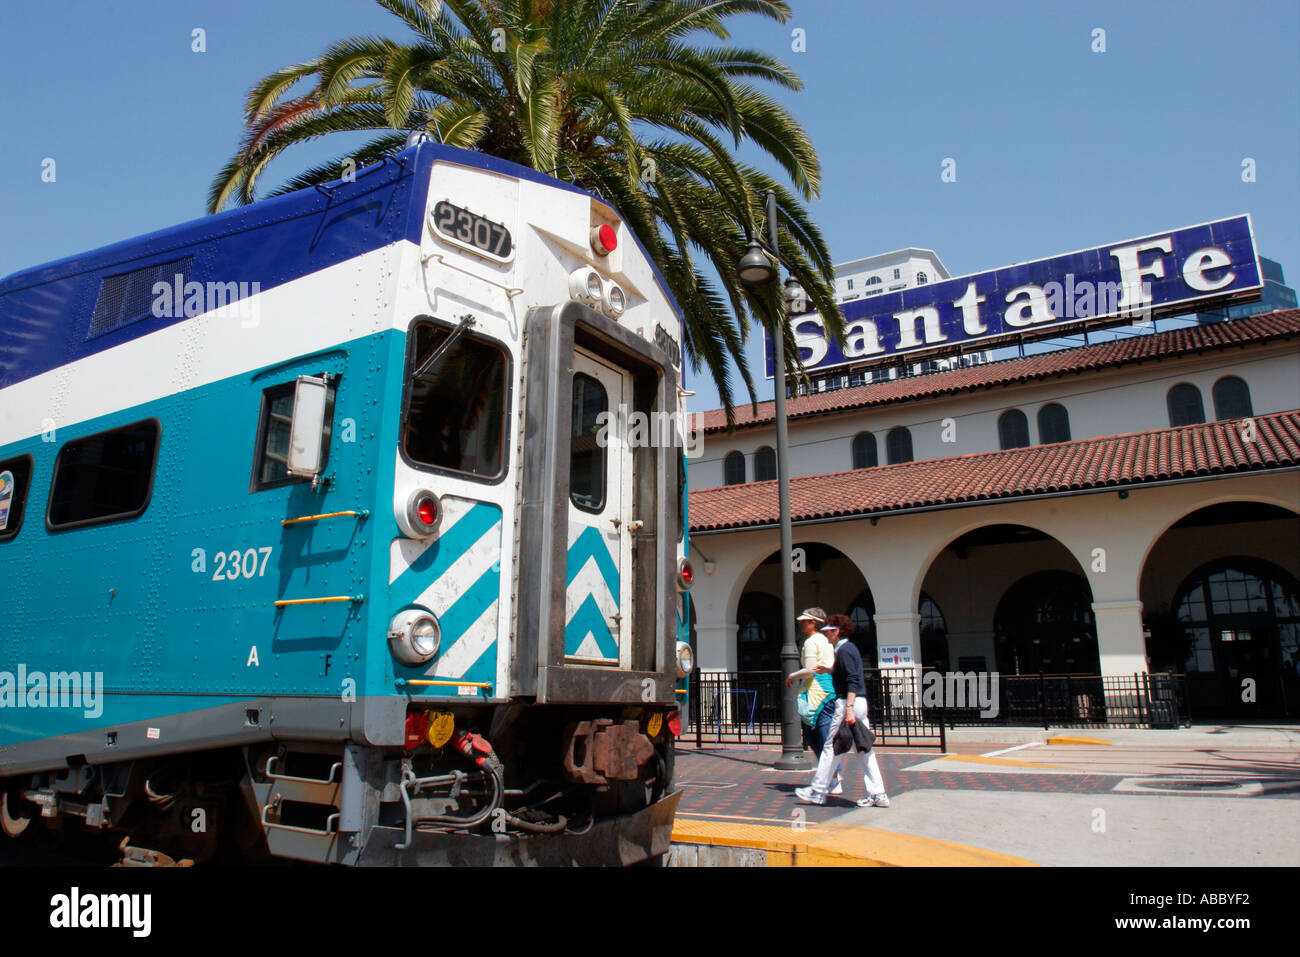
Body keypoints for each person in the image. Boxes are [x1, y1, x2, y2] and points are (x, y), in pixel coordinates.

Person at [796, 614, 889, 808]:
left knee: (831, 747)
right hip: (857, 703)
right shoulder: (848, 649)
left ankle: (818, 790)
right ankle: (878, 793)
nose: (827, 635)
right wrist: (829, 670)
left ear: (837, 631)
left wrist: (848, 708)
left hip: (848, 703)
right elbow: (850, 675)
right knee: (863, 749)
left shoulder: (844, 650)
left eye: (829, 631)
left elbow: (852, 680)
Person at [786, 607, 842, 794]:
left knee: (820, 736)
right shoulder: (826, 641)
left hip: (816, 691)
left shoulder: (811, 642)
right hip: (827, 689)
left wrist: (792, 675)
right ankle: (831, 777)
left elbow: (810, 669)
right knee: (822, 735)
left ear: (813, 623)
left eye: (805, 621)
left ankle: (831, 779)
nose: (801, 623)